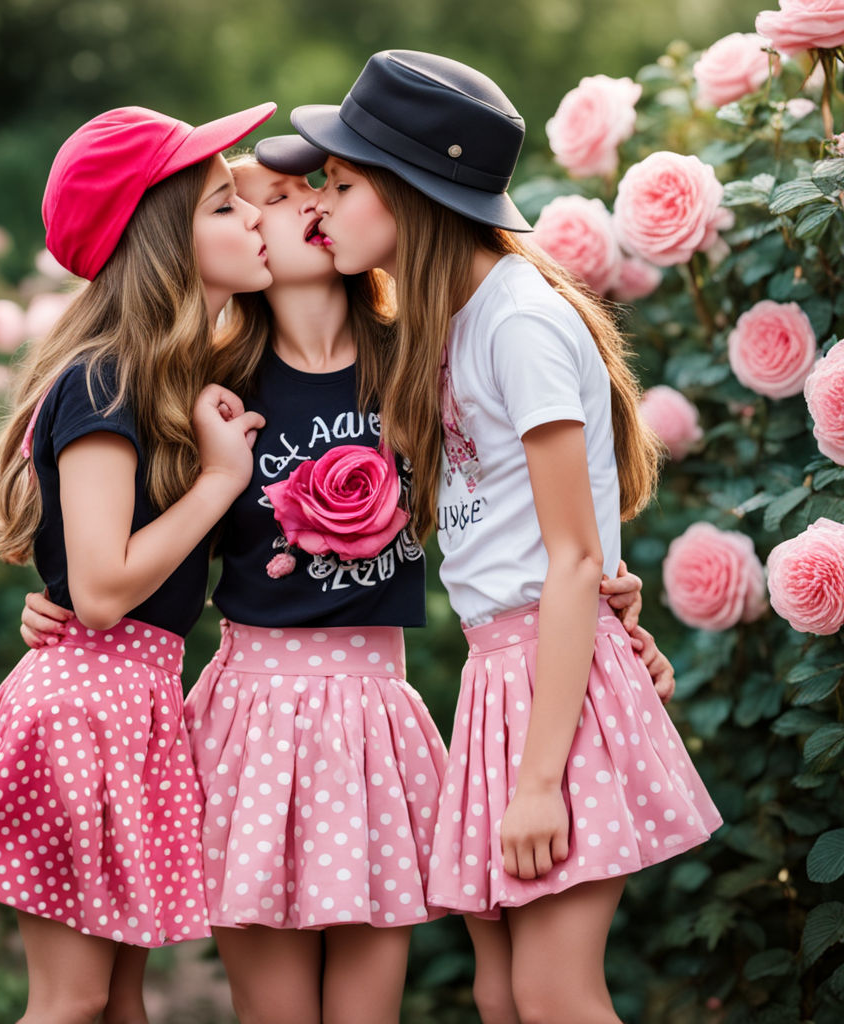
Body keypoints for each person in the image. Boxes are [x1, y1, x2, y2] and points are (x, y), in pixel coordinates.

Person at [19, 146, 664, 1024]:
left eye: (312, 190)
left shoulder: (422, 360)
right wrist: (65, 600)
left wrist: (610, 599)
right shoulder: (211, 390)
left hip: (374, 716)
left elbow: (515, 498)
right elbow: (130, 539)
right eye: (265, 203)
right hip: (252, 714)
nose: (301, 208)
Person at [261, 50, 722, 1024]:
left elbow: (571, 556)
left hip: (549, 681)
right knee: (503, 991)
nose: (320, 207)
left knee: (554, 991)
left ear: (410, 194)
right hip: (501, 674)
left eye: (341, 186)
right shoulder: (457, 322)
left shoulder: (519, 322)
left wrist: (542, 779)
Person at [0, 102, 276, 1024]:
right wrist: (220, 481)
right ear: (162, 238)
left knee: (122, 1003)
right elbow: (102, 589)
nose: (253, 224)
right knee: (75, 1000)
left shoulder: (163, 378)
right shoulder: (103, 378)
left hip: (131, 702)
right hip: (84, 710)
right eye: (224, 208)